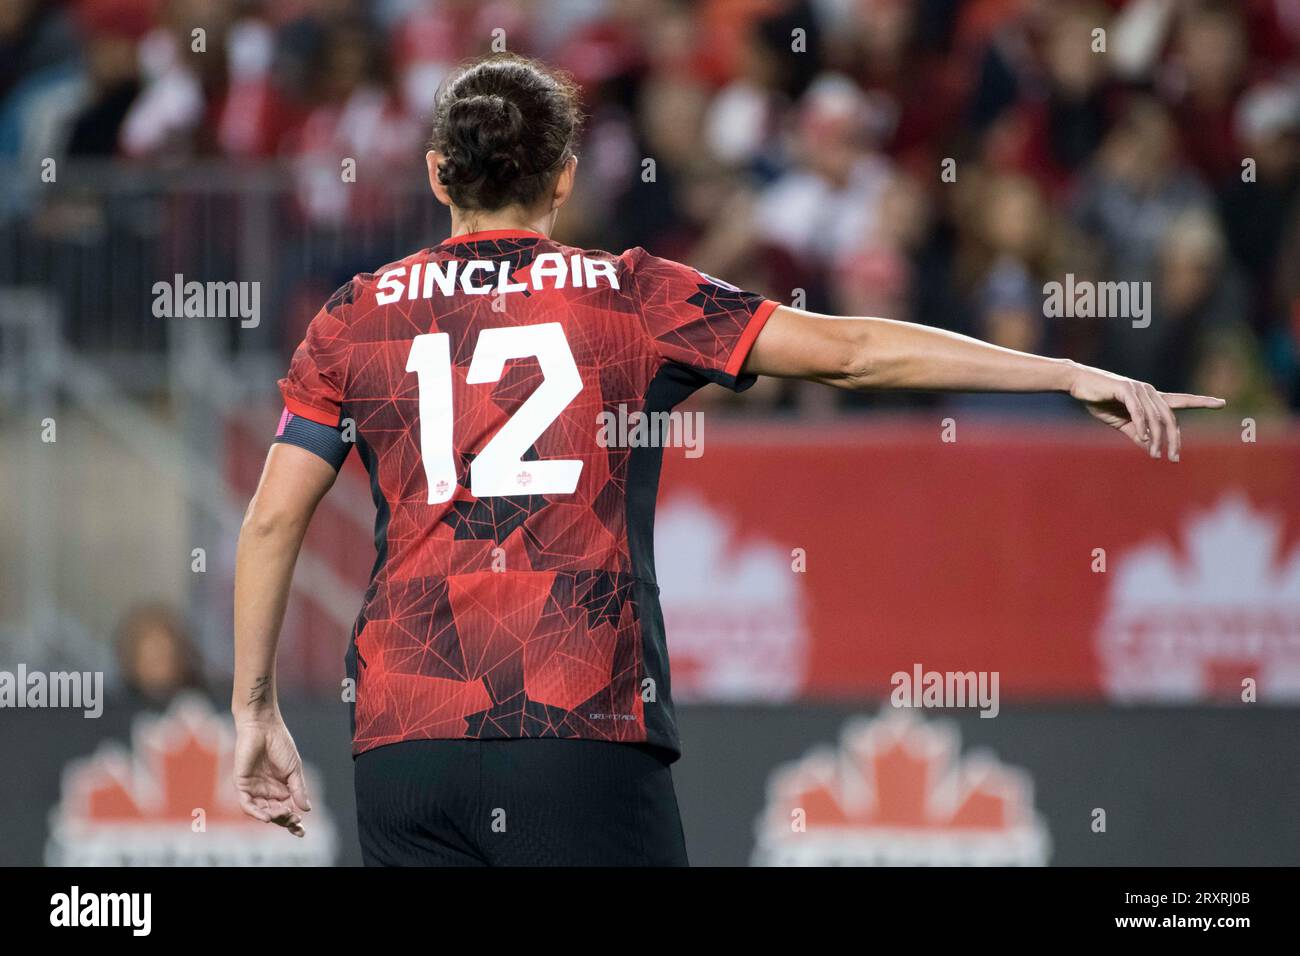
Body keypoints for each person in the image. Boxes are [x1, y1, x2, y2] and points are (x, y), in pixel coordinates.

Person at [231, 53, 1223, 866]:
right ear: (565, 177)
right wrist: (1057, 371)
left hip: (406, 740)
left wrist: (255, 708)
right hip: (576, 729)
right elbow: (847, 351)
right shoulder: (629, 293)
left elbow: (275, 518)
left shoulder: (351, 315)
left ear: (440, 174)